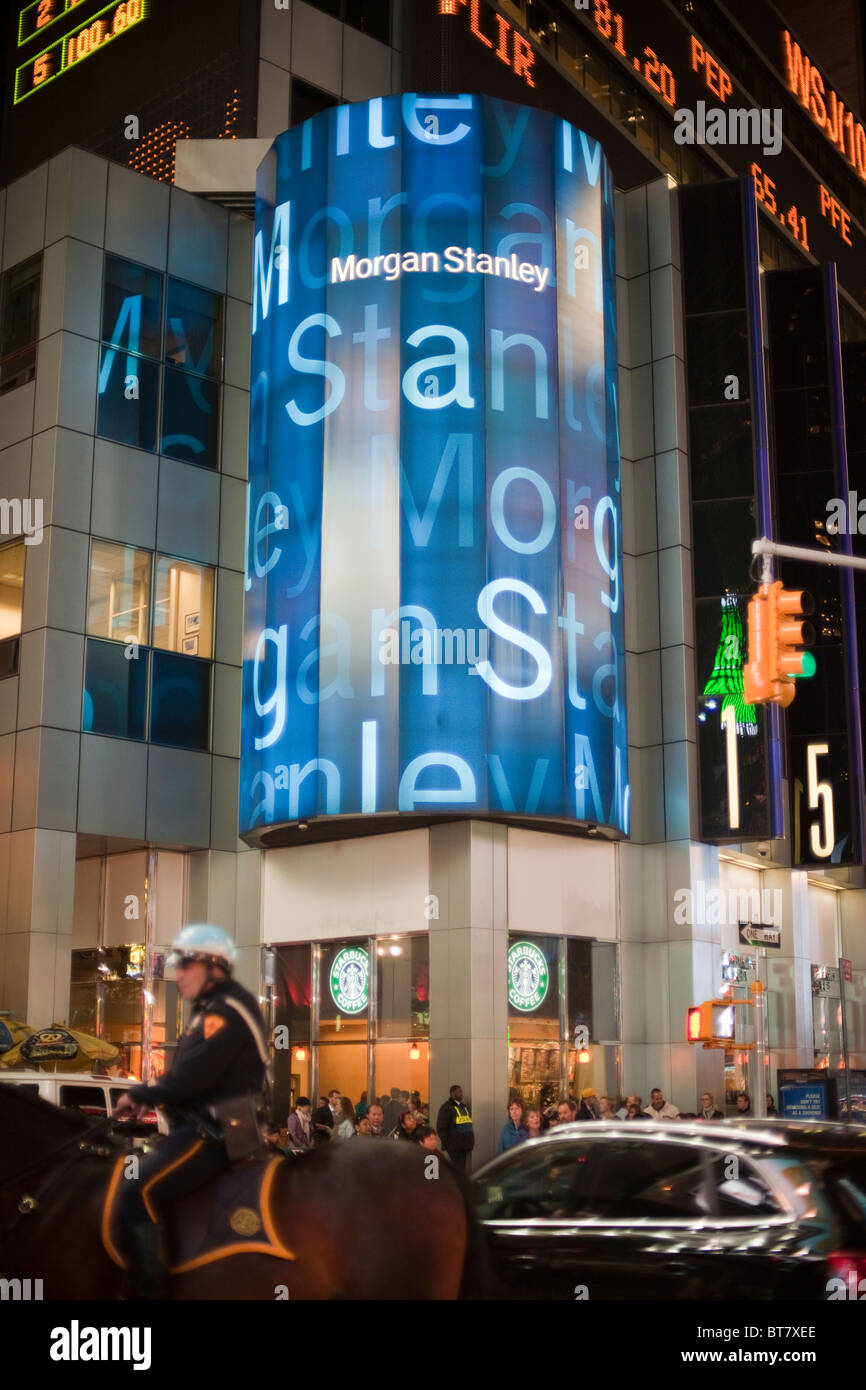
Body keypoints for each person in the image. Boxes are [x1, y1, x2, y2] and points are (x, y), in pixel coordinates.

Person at [113, 924, 267, 1299]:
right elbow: (187, 1078)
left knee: (135, 1190)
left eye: (184, 965)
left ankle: (149, 1291)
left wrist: (141, 1093)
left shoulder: (225, 1012)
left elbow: (191, 1079)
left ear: (214, 967)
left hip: (218, 1134)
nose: (177, 974)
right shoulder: (212, 1010)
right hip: (209, 1127)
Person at [436, 1084, 475, 1170]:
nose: (462, 1094)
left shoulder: (464, 1107)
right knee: (458, 1170)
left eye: (461, 1092)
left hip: (465, 1146)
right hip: (454, 1147)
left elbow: (467, 1124)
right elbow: (441, 1127)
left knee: (461, 1170)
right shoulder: (446, 1108)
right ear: (452, 1094)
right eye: (459, 1092)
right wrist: (448, 1144)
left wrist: (470, 1141)